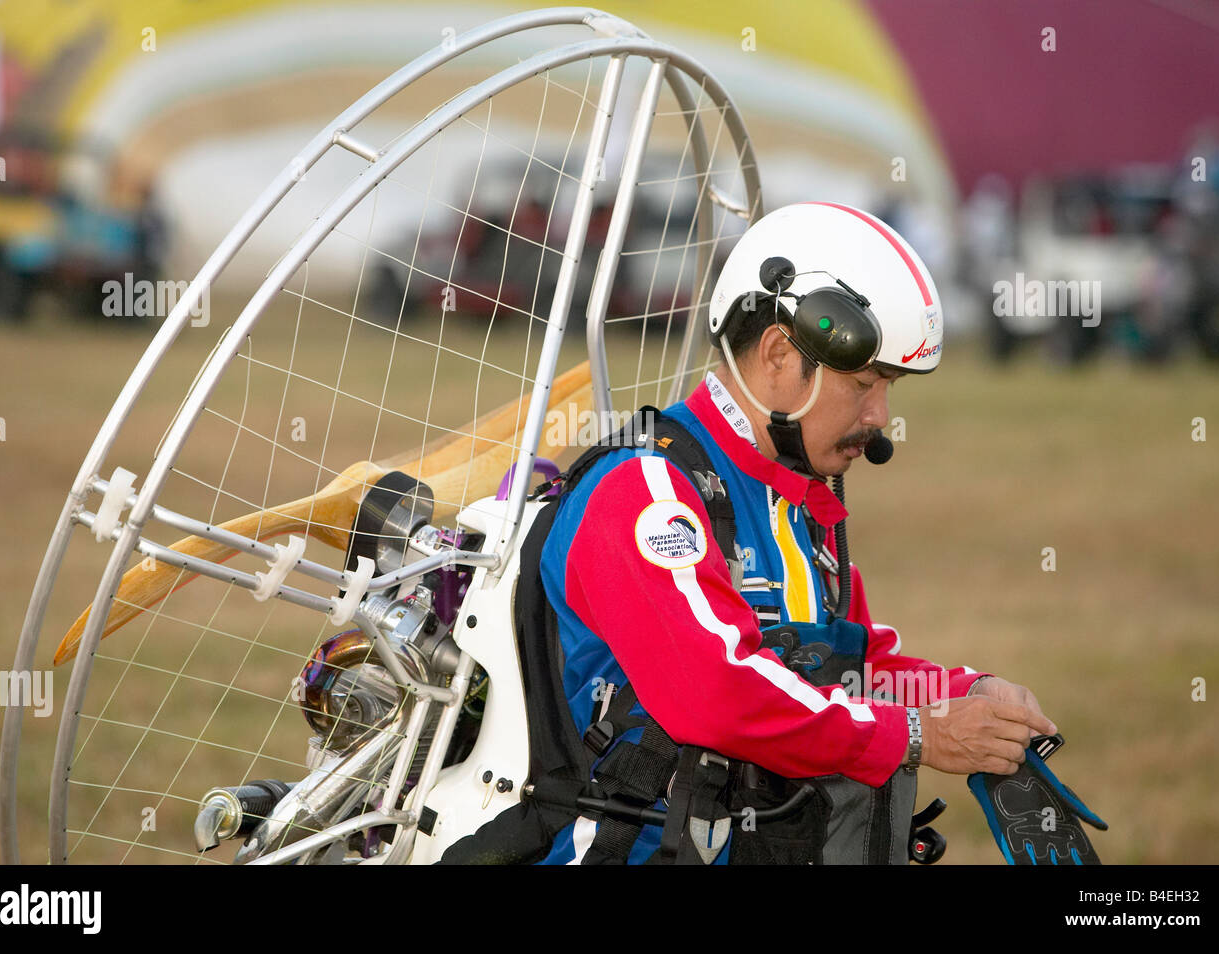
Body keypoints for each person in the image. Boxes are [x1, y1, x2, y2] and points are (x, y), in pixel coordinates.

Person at [451, 202, 1057, 865]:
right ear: (777, 354)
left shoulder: (798, 508)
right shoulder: (646, 490)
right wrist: (918, 736)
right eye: (863, 384)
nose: (880, 418)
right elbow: (715, 691)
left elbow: (845, 674)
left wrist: (965, 694)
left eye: (889, 388)